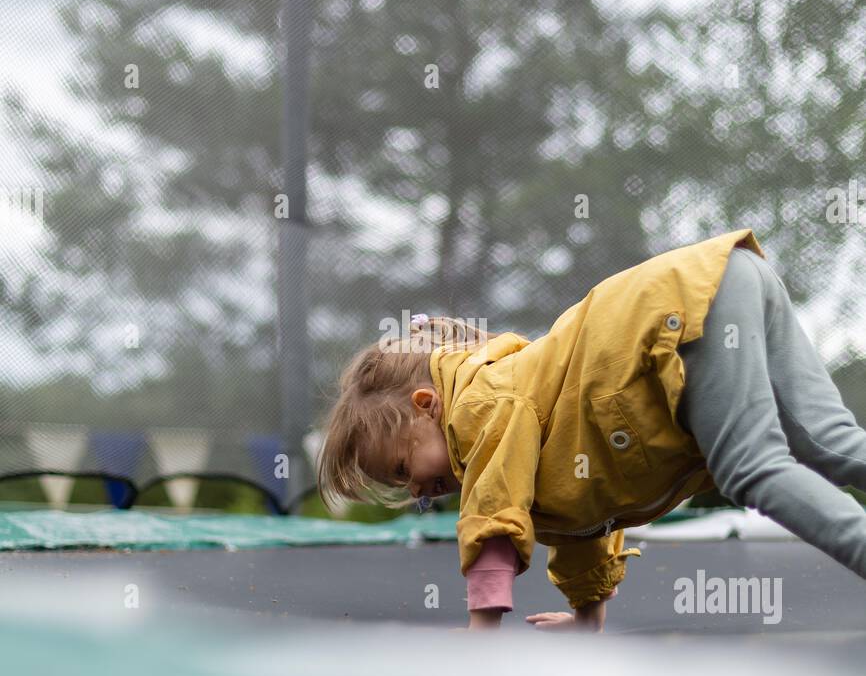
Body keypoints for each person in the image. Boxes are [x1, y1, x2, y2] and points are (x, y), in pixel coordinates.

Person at [317, 228, 866, 630]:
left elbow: (491, 518)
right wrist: (588, 621)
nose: (414, 489)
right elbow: (585, 524)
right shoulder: (526, 431)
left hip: (678, 314)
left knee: (751, 468)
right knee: (829, 443)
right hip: (729, 279)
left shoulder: (480, 405)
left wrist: (480, 638)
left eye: (400, 466)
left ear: (426, 406)